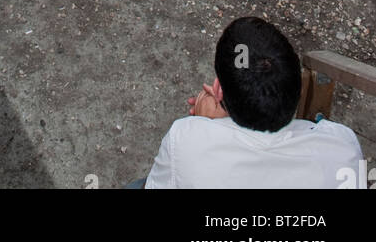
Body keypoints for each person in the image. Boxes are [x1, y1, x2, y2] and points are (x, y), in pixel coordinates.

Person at [144, 17, 364, 189]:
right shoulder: (343, 147)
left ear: (218, 89)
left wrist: (203, 126)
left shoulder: (183, 142)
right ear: (297, 89)